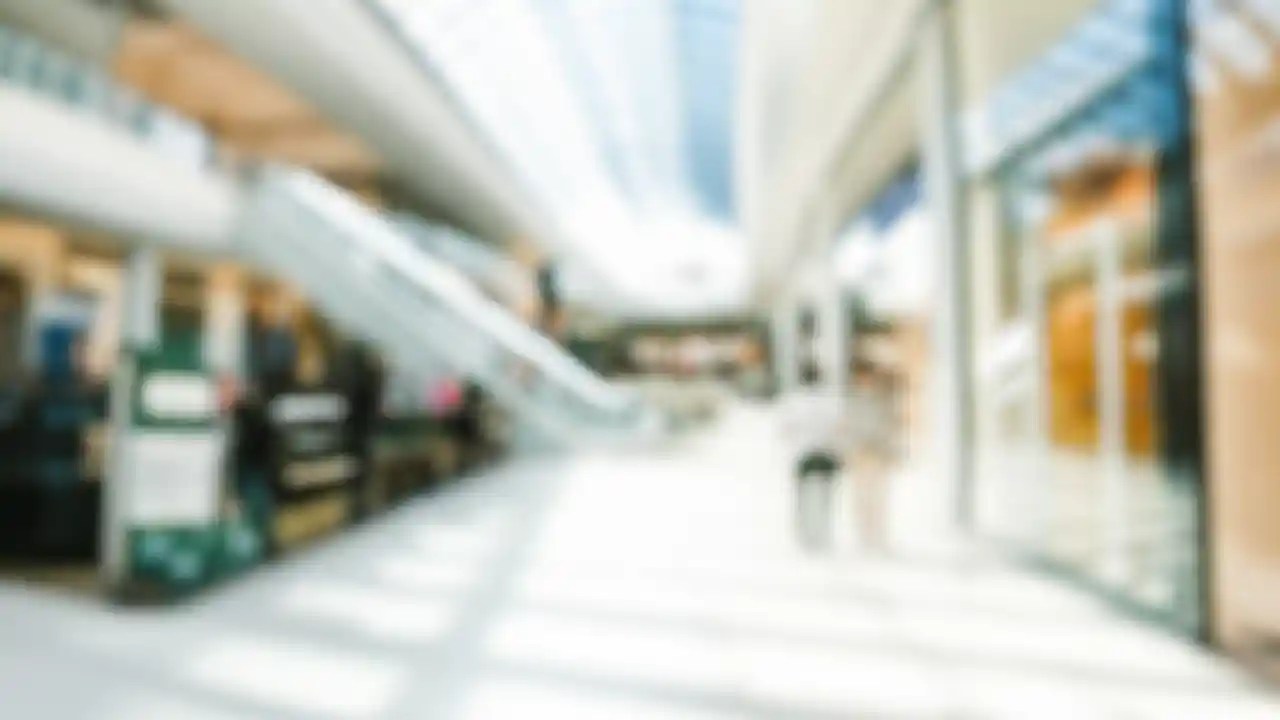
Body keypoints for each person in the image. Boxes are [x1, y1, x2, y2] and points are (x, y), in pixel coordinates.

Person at [784, 361, 844, 551]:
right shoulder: (831, 401)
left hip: (803, 454)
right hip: (825, 452)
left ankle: (805, 534)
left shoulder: (794, 401)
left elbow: (785, 429)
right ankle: (823, 532)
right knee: (825, 496)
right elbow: (838, 429)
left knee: (803, 497)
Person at [845, 360, 900, 554]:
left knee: (878, 496)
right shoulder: (853, 402)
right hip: (860, 455)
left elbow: (890, 428)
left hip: (877, 454)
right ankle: (864, 534)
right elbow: (847, 429)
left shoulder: (882, 402)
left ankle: (877, 534)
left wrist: (890, 451)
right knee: (861, 497)